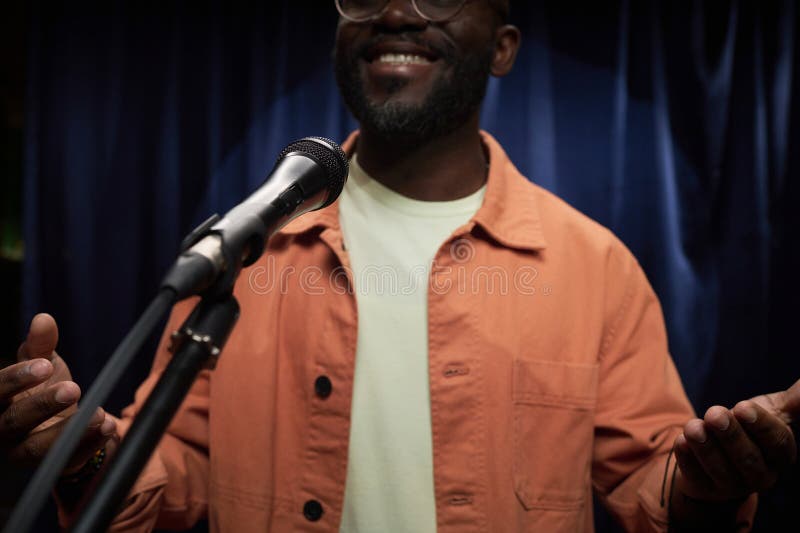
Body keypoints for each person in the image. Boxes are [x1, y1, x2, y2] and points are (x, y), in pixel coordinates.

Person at [1, 0, 797, 531]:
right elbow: (164, 483)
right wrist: (84, 453)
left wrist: (710, 482)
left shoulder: (596, 268)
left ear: (504, 48)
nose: (397, 9)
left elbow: (647, 494)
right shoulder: (243, 251)